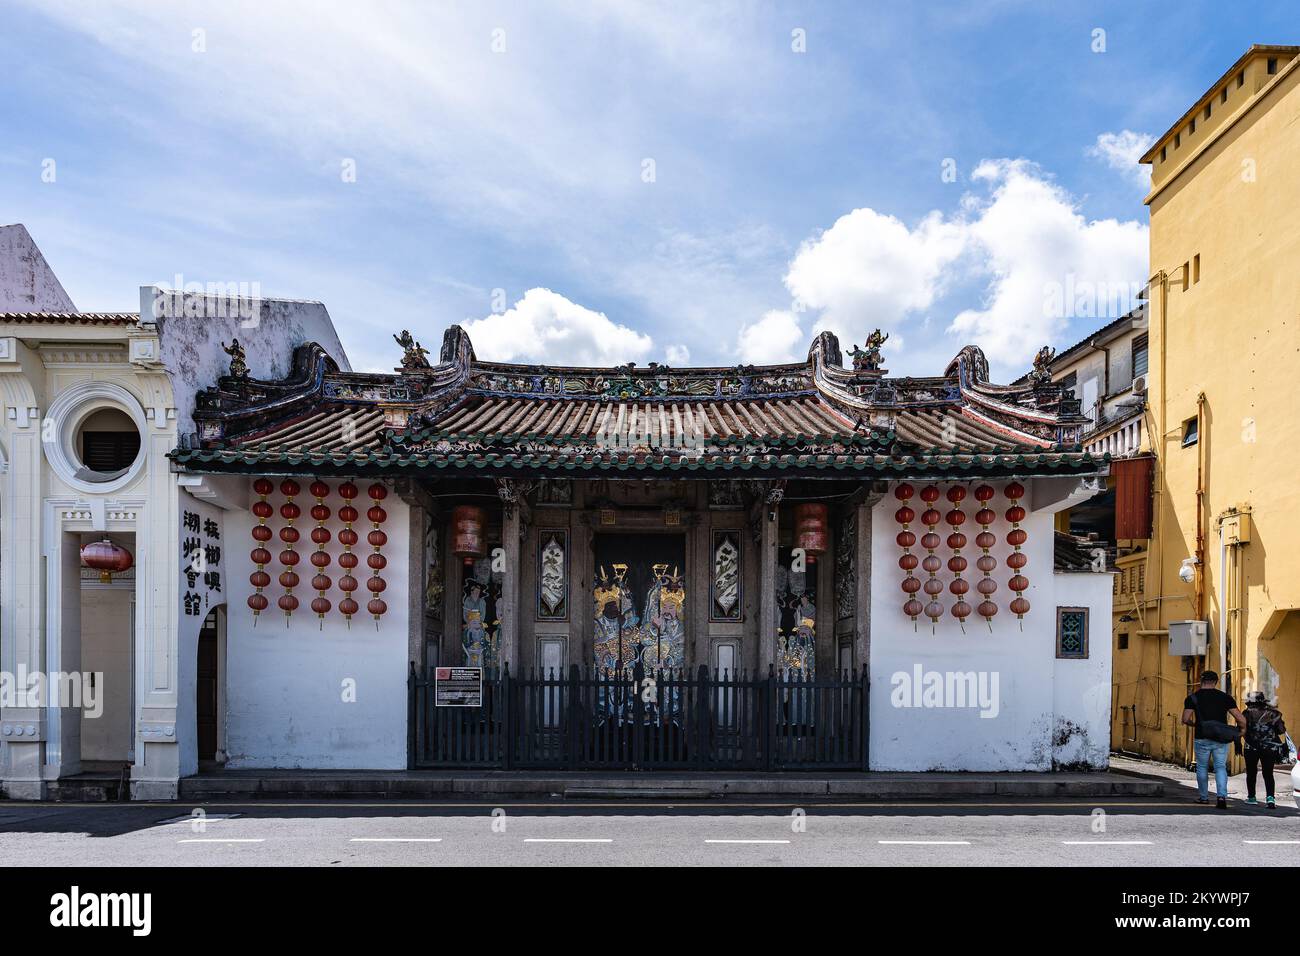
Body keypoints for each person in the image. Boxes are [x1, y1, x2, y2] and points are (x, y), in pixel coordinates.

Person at [1181, 670, 1247, 808]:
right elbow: (1241, 719)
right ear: (1216, 682)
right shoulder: (1225, 698)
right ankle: (1221, 797)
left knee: (1202, 767)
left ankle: (1204, 797)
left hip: (1202, 737)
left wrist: (1197, 724)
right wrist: (1241, 731)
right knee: (1220, 767)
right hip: (1220, 739)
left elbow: (1185, 719)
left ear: (1201, 681)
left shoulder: (1192, 698)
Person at [1242, 691, 1287, 808]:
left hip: (1251, 747)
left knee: (1251, 772)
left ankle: (1251, 797)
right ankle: (1270, 799)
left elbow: (1241, 729)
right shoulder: (1274, 713)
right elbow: (1282, 730)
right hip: (1269, 748)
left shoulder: (1246, 714)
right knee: (1268, 773)